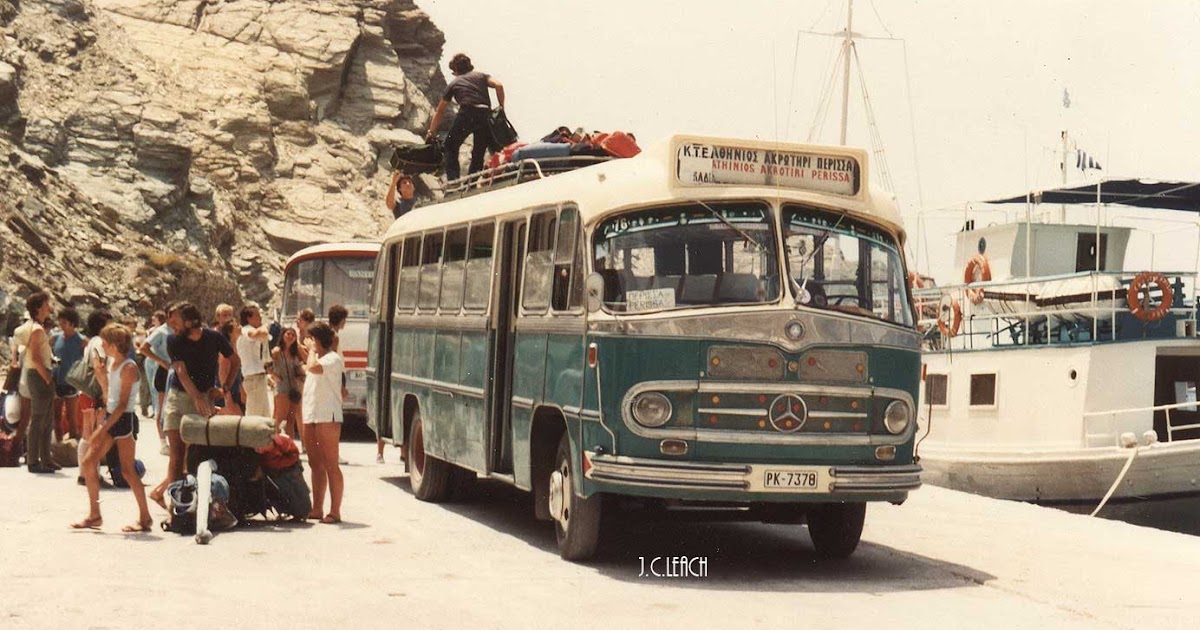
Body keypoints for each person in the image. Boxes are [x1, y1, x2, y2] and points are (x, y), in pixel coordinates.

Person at [149, 302, 240, 510]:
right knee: (176, 454)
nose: (171, 325)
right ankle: (175, 508)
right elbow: (180, 371)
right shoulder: (173, 340)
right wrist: (197, 396)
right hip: (178, 398)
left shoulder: (214, 337)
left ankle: (192, 502)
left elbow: (235, 361)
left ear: (190, 322)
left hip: (203, 399)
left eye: (175, 321)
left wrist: (224, 388)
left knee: (195, 455)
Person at [71, 323, 152, 532]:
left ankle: (144, 518)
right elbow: (111, 396)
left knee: (127, 470)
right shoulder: (114, 364)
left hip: (122, 421)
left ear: (115, 345)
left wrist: (102, 428)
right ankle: (95, 515)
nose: (103, 346)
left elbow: (123, 405)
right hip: (113, 417)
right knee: (90, 462)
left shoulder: (129, 368)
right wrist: (101, 376)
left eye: (106, 343)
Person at [426, 53, 505, 181]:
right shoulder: (482, 76)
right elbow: (499, 85)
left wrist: (431, 131)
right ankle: (472, 183)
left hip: (467, 114)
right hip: (485, 114)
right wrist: (501, 107)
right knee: (479, 150)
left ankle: (453, 181)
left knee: (450, 146)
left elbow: (440, 110)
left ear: (456, 70)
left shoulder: (454, 83)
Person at [301, 322, 344, 523]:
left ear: (318, 340)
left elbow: (314, 368)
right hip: (312, 415)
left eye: (311, 339)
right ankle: (317, 508)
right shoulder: (316, 358)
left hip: (328, 416)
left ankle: (335, 510)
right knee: (315, 464)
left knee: (330, 464)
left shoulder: (332, 359)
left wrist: (311, 351)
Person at [21, 292, 57, 473]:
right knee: (38, 419)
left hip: (40, 374)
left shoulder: (38, 327)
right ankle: (34, 460)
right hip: (39, 375)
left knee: (47, 419)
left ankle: (46, 458)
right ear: (38, 308)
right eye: (45, 304)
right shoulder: (36, 329)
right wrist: (47, 378)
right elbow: (35, 357)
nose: (48, 307)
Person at [138, 310, 171, 455]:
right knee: (161, 407)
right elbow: (144, 348)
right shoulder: (160, 332)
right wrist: (161, 361)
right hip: (163, 371)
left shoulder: (180, 330)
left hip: (176, 371)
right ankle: (163, 442)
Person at [50, 307, 85, 441]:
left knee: (72, 418)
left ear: (72, 323)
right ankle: (59, 446)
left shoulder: (81, 341)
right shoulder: (55, 338)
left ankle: (72, 446)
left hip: (72, 383)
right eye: (60, 322)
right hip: (57, 381)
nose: (61, 325)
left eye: (64, 322)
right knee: (57, 417)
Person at [270, 327, 306, 443]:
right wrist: (274, 375)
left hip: (294, 389)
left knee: (291, 420)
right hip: (282, 388)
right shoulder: (276, 351)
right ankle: (270, 442)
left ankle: (290, 445)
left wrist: (300, 376)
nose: (290, 337)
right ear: (283, 336)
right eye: (288, 334)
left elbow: (300, 370)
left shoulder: (294, 354)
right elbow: (267, 365)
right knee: (279, 418)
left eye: (293, 335)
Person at [237, 304, 272, 417]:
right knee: (254, 416)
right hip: (254, 377)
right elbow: (256, 334)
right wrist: (264, 327)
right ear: (249, 318)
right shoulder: (247, 330)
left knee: (264, 415)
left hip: (258, 377)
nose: (260, 318)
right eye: (257, 315)